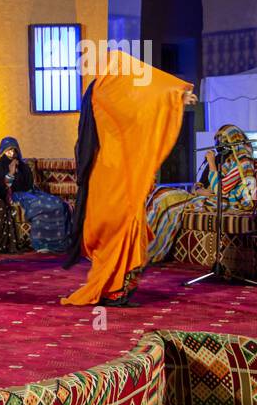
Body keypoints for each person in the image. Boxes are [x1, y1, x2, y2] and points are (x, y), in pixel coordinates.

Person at [63, 52, 195, 307]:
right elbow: (143, 104)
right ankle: (113, 290)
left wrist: (175, 97)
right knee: (120, 228)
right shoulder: (106, 93)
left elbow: (140, 104)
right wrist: (174, 96)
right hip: (112, 175)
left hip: (111, 172)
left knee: (126, 228)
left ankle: (117, 289)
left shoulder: (103, 92)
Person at [144, 123, 257, 263]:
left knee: (170, 202)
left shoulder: (243, 163)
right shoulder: (223, 161)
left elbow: (221, 190)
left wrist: (211, 164)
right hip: (210, 196)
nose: (219, 145)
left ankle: (151, 251)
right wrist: (201, 190)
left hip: (230, 203)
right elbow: (201, 184)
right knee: (161, 193)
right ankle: (139, 243)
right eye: (217, 141)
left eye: (223, 140)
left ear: (233, 140)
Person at [0, 136, 71, 253]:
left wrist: (18, 170)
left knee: (58, 203)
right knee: (39, 205)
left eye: (14, 150)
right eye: (8, 150)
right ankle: (42, 244)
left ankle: (60, 244)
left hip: (30, 193)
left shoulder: (23, 166)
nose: (12, 153)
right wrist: (11, 173)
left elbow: (28, 185)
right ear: (2, 152)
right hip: (15, 195)